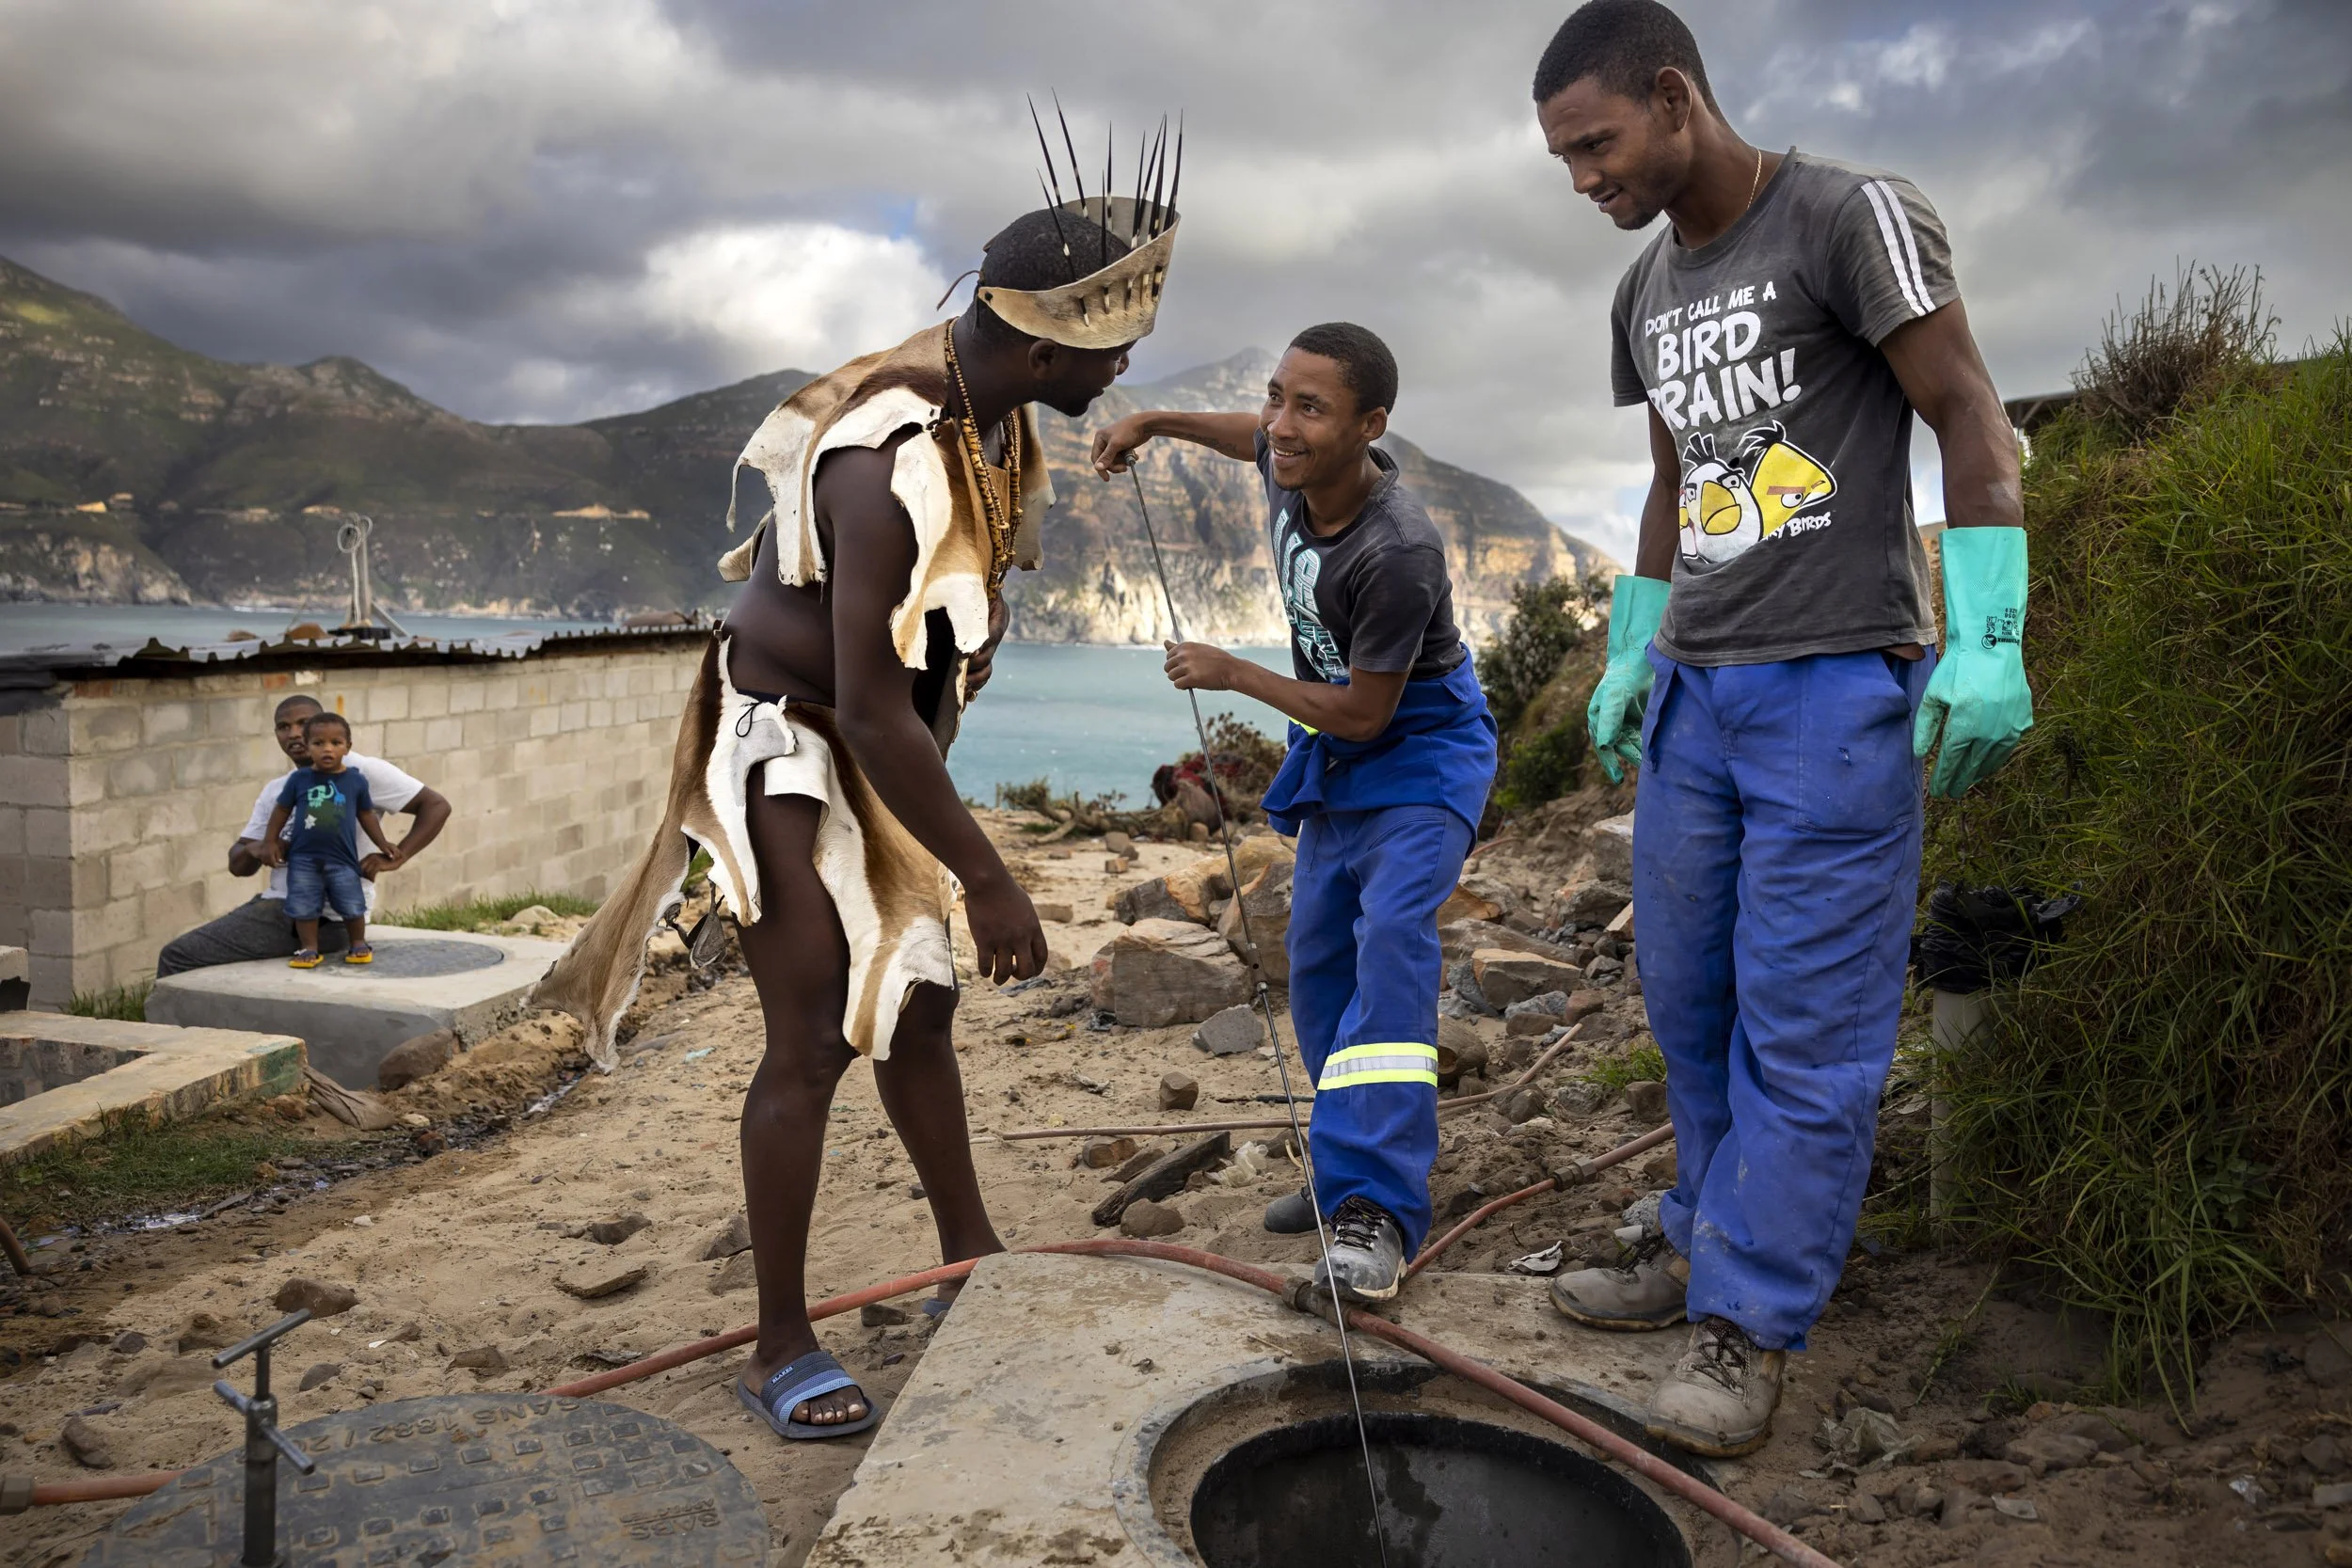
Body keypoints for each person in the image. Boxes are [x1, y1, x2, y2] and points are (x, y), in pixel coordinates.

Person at [534, 181, 1181, 1439]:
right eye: (1115, 355)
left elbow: (905, 691)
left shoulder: (987, 404)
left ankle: (968, 1254)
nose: (1123, 369)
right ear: (1045, 346)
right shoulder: (888, 465)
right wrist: (990, 876)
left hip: (872, 742)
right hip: (784, 733)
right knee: (817, 1027)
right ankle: (779, 1339)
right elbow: (877, 711)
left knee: (920, 997)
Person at [1532, 0, 2033, 1456]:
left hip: (1832, 683)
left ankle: (1748, 1322)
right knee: (1691, 1000)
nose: (1583, 180)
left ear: (1675, 96)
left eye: (1596, 144)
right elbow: (1672, 483)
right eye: (1563, 158)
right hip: (1701, 688)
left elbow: (1971, 417)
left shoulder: (1846, 217)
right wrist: (1633, 652)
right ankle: (1701, 1231)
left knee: (1807, 1025)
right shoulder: (1644, 291)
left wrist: (1989, 636)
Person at [1089, 323, 1498, 1306]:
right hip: (1342, 761)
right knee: (1314, 966)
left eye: (1309, 408)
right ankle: (1340, 1160)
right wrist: (1152, 418)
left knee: (1390, 948)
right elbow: (1249, 435)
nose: (1281, 423)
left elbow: (1367, 708)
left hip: (1420, 750)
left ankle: (1376, 1210)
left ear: (1370, 427)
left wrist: (1233, 670)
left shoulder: (1398, 552)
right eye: (1278, 396)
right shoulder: (1291, 463)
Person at [154, 693, 452, 974]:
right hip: (281, 905)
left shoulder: (360, 771)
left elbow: (436, 806)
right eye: (284, 727)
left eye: (303, 723)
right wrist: (255, 849)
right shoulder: (279, 789)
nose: (294, 733)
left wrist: (396, 856)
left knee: (177, 956)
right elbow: (238, 866)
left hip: (326, 918)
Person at [259, 712, 395, 967]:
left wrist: (383, 843)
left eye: (336, 743)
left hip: (342, 858)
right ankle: (309, 949)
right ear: (308, 748)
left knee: (353, 902)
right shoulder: (299, 779)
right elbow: (281, 811)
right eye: (318, 743)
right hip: (302, 859)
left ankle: (358, 944)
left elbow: (366, 815)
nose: (327, 749)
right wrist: (270, 841)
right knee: (304, 905)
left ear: (348, 747)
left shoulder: (355, 780)